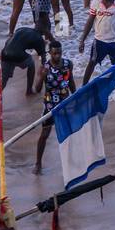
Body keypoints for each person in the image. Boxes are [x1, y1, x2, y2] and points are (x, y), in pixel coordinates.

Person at [33, 41, 72, 173]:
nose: (57, 56)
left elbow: (71, 84)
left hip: (65, 103)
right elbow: (37, 90)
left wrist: (76, 98)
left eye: (59, 53)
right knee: (44, 134)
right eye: (55, 53)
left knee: (69, 133)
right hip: (50, 105)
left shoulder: (67, 64)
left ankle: (70, 162)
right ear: (50, 53)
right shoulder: (45, 68)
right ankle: (38, 163)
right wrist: (41, 77)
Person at [0, 25, 46, 96]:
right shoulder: (39, 39)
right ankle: (29, 91)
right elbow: (43, 58)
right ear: (45, 32)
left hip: (5, 53)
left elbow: (9, 40)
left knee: (4, 78)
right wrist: (44, 70)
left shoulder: (21, 29)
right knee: (31, 64)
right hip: (17, 55)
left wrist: (4, 50)